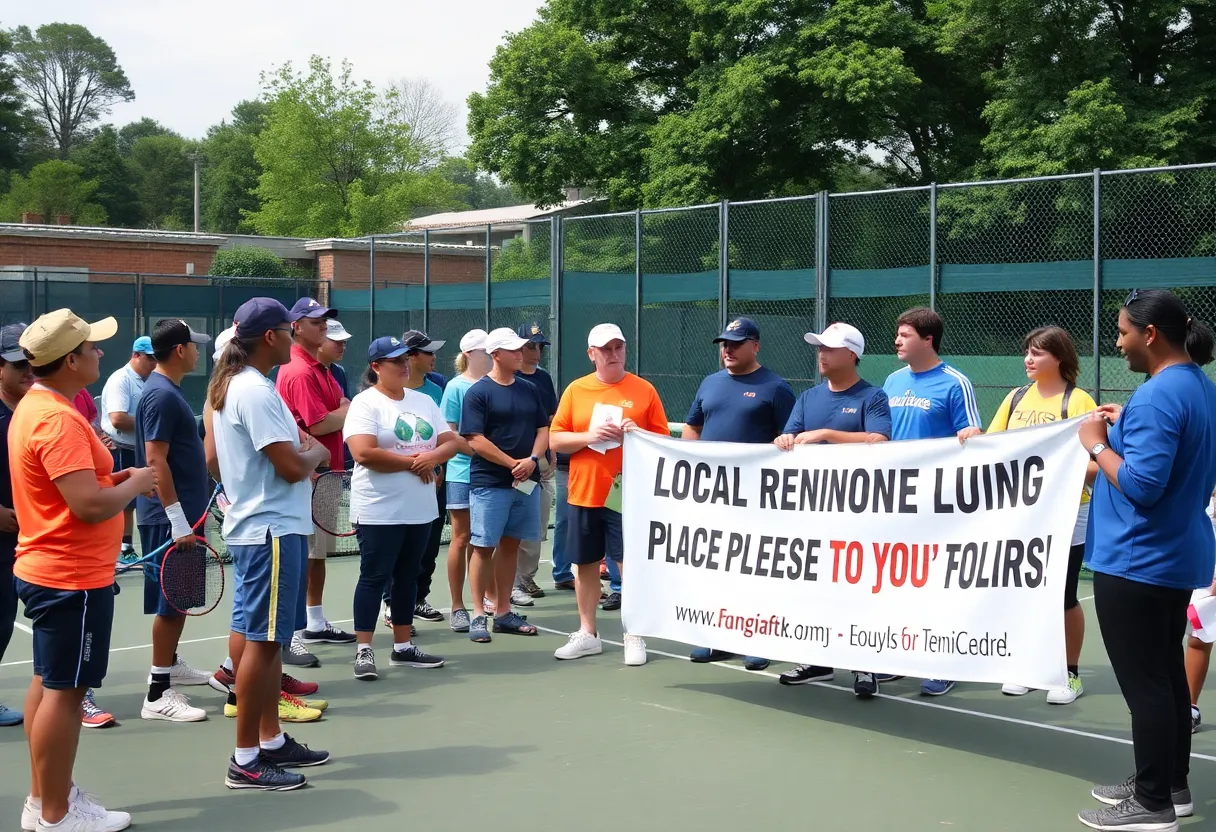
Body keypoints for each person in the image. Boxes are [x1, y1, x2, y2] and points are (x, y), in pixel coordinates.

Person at [12, 308, 156, 831]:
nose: (100, 352)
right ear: (70, 360)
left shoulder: (41, 406)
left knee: (50, 684)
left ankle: (44, 801)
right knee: (66, 695)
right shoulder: (57, 418)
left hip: (54, 568)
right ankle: (56, 814)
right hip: (69, 575)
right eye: (92, 348)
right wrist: (139, 483)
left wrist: (120, 475)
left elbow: (78, 484)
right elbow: (90, 506)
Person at [1077, 289, 1216, 831]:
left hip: (1139, 559)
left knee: (1148, 684)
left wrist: (1094, 443)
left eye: (1122, 332)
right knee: (1166, 677)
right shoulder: (1196, 386)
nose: (1118, 343)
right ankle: (1169, 784)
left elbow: (1144, 485)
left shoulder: (1160, 395)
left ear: (1150, 334)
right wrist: (1123, 425)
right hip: (1173, 552)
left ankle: (1154, 803)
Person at [208, 297, 331, 791]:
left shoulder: (240, 386)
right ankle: (245, 759)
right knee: (263, 640)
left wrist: (302, 449)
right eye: (289, 328)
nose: (297, 333)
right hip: (271, 531)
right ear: (272, 338)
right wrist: (317, 452)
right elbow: (289, 463)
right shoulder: (254, 391)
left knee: (259, 635)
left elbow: (220, 460)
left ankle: (270, 740)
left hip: (260, 527)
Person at [773, 322, 891, 691]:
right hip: (811, 513)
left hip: (859, 515)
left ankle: (864, 664)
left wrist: (826, 435)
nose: (821, 354)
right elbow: (789, 437)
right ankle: (818, 660)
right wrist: (783, 440)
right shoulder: (808, 398)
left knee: (858, 588)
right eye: (818, 348)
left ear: (852, 354)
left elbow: (879, 440)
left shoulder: (873, 397)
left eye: (829, 348)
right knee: (813, 586)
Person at [987, 326, 1097, 705]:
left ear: (1060, 358)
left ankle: (1070, 673)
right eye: (1027, 352)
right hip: (1021, 513)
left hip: (1069, 510)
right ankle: (1030, 665)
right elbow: (993, 448)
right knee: (1024, 590)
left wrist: (1058, 473)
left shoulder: (1079, 401)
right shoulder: (1015, 398)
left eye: (1038, 353)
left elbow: (1098, 460)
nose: (1029, 359)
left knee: (1064, 594)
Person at [345, 335, 465, 680]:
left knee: (408, 578)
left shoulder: (423, 401)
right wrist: (417, 462)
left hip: (421, 509)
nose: (404, 364)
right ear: (376, 367)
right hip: (378, 509)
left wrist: (433, 457)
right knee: (374, 576)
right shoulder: (365, 404)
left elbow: (451, 442)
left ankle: (402, 647)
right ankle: (364, 650)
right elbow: (364, 453)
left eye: (405, 359)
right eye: (395, 360)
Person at [550, 323, 669, 665]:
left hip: (627, 495)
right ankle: (588, 633)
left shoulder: (644, 390)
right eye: (605, 349)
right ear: (592, 354)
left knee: (628, 565)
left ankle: (634, 634)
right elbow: (556, 440)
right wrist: (589, 435)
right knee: (585, 564)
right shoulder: (576, 390)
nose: (613, 354)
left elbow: (663, 441)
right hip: (583, 493)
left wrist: (638, 433)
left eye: (618, 347)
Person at [879, 306, 981, 698]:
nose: (897, 341)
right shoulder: (891, 380)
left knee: (937, 584)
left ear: (928, 339)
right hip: (892, 500)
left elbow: (971, 436)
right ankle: (900, 656)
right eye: (897, 334)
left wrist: (972, 434)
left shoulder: (955, 382)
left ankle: (945, 661)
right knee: (898, 581)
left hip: (937, 503)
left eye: (904, 335)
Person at [683, 317, 795, 672]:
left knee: (755, 569)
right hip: (712, 496)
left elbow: (790, 439)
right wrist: (692, 462)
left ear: (756, 345)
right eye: (723, 343)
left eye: (735, 343)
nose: (727, 349)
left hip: (758, 499)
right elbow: (692, 427)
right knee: (716, 564)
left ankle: (759, 637)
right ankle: (717, 636)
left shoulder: (776, 388)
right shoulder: (710, 382)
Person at [133, 319, 216, 724]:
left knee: (179, 600)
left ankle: (170, 664)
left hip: (183, 516)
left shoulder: (168, 391)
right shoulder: (162, 395)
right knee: (170, 605)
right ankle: (157, 692)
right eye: (194, 345)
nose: (199, 351)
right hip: (173, 521)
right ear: (180, 350)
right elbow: (155, 460)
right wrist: (178, 521)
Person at [275, 297, 354, 669]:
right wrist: (344, 411)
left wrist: (338, 412)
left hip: (325, 474)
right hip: (311, 476)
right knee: (303, 557)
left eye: (325, 319)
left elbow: (332, 414)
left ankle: (314, 622)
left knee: (315, 555)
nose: (323, 325)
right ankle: (289, 636)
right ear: (296, 327)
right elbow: (319, 424)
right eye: (315, 320)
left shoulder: (321, 368)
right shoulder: (299, 371)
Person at [459, 327, 549, 643]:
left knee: (510, 546)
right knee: (483, 547)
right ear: (495, 354)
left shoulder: (529, 389)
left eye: (520, 349)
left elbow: (543, 429)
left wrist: (533, 461)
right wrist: (513, 464)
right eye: (513, 350)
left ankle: (502, 612)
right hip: (490, 484)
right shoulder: (478, 392)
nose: (520, 353)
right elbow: (474, 439)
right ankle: (478, 616)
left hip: (526, 482)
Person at [438, 329, 490, 633]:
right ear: (469, 354)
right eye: (485, 350)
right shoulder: (456, 388)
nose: (490, 354)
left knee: (486, 541)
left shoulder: (496, 385)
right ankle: (457, 607)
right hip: (462, 472)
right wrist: (483, 452)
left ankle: (486, 601)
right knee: (462, 537)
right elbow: (450, 433)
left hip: (493, 475)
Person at [397, 330, 448, 624]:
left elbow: (443, 435)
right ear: (411, 356)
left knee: (428, 545)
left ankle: (419, 598)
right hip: (401, 482)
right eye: (428, 353)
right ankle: (394, 604)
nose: (434, 358)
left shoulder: (437, 387)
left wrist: (437, 466)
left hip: (434, 480)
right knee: (398, 548)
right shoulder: (388, 391)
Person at [0, 323, 33, 729]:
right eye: (17, 364)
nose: (27, 370)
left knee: (6, 621)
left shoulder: (30, 411)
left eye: (31, 363)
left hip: (24, 539)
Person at [100, 336, 157, 564]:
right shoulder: (120, 380)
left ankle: (124, 546)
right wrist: (153, 423)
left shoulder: (149, 379)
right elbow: (118, 419)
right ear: (136, 355)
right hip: (119, 448)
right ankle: (121, 548)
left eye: (156, 358)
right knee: (123, 501)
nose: (153, 363)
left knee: (133, 500)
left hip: (137, 448)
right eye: (149, 358)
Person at [513, 322, 559, 607]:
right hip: (516, 461)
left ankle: (525, 577)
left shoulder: (543, 379)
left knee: (538, 519)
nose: (536, 350)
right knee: (516, 519)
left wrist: (549, 453)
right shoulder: (509, 377)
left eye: (539, 344)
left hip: (540, 460)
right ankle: (510, 582)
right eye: (531, 345)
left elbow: (551, 419)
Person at [1185, 489, 1216, 733]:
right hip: (1184, 551)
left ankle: (1189, 707)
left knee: (1199, 637)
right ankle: (1183, 705)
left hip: (1210, 565)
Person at [319, 319, 354, 472]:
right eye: (336, 341)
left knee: (342, 496)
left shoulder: (339, 371)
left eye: (344, 342)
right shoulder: (303, 372)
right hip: (316, 462)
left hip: (341, 457)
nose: (342, 347)